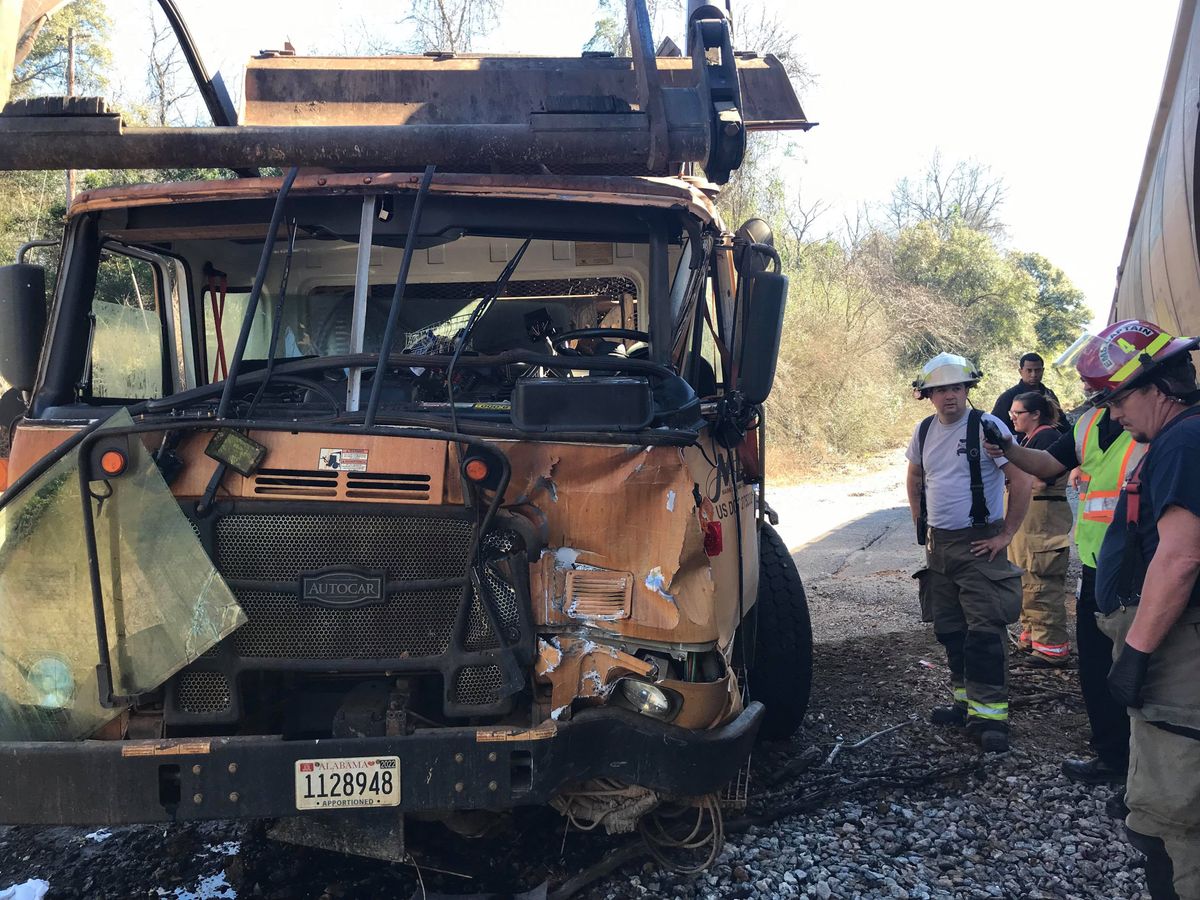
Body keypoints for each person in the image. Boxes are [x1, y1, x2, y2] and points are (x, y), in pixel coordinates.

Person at [984, 340, 1146, 797]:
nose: (1088, 389)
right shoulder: (1090, 422)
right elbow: (1050, 463)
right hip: (1098, 566)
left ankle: (1148, 776)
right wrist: (1009, 450)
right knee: (1095, 670)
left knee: (1145, 671)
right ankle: (1113, 756)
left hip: (1144, 569)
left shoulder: (1164, 428)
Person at [1075, 320, 1200, 900]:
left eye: (1119, 397)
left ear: (1157, 388)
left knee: (1169, 817)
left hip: (1181, 650)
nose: (1115, 414)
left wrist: (1137, 656)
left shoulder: (1182, 441)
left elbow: (1179, 558)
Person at [906, 353, 1031, 753]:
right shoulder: (924, 431)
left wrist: (1005, 535)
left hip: (981, 546)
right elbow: (915, 475)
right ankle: (964, 703)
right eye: (941, 390)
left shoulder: (987, 427)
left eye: (957, 388)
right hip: (940, 547)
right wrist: (920, 522)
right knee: (951, 632)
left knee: (984, 633)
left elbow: (1021, 480)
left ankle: (991, 717)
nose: (950, 397)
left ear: (968, 390)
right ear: (928, 395)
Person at [1006, 391, 1073, 665]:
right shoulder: (1029, 440)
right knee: (1026, 580)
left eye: (1017, 413)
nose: (1012, 418)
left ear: (1035, 414)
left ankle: (1051, 648)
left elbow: (1041, 480)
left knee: (1040, 584)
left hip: (1042, 528)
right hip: (1029, 527)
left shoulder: (1046, 438)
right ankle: (1033, 637)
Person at [991, 352, 1068, 437]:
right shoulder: (1008, 397)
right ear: (1021, 371)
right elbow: (995, 425)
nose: (1033, 375)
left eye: (1037, 370)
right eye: (1029, 370)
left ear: (1043, 371)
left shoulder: (1049, 394)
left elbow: (1061, 422)